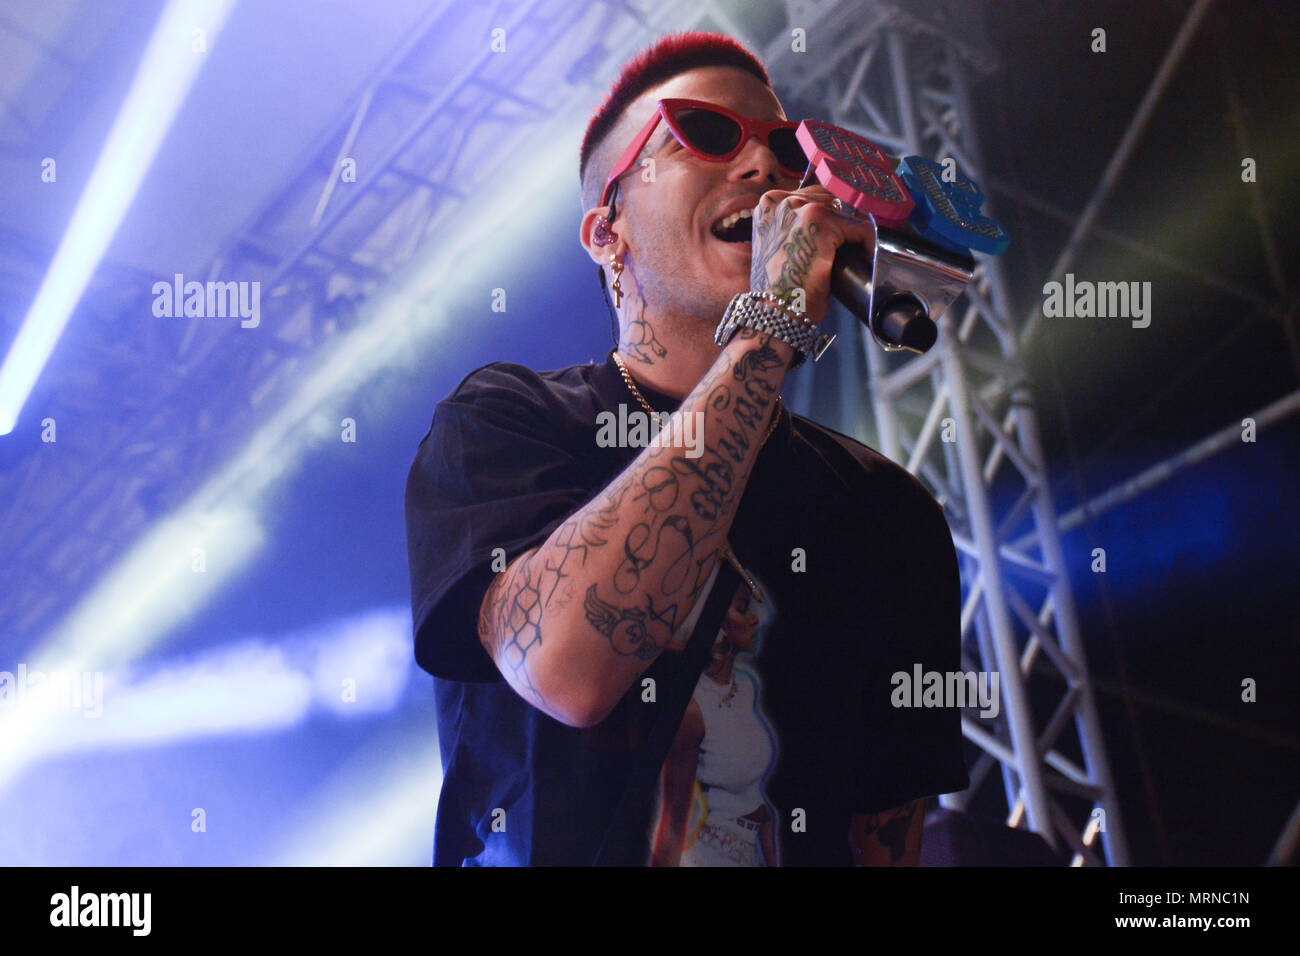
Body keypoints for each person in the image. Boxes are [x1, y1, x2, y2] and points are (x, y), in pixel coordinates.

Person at [404, 30, 969, 867]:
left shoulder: (888, 511)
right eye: (704, 135)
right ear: (607, 232)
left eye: (785, 148)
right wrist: (767, 330)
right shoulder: (508, 423)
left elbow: (884, 833)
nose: (763, 169)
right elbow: (569, 671)